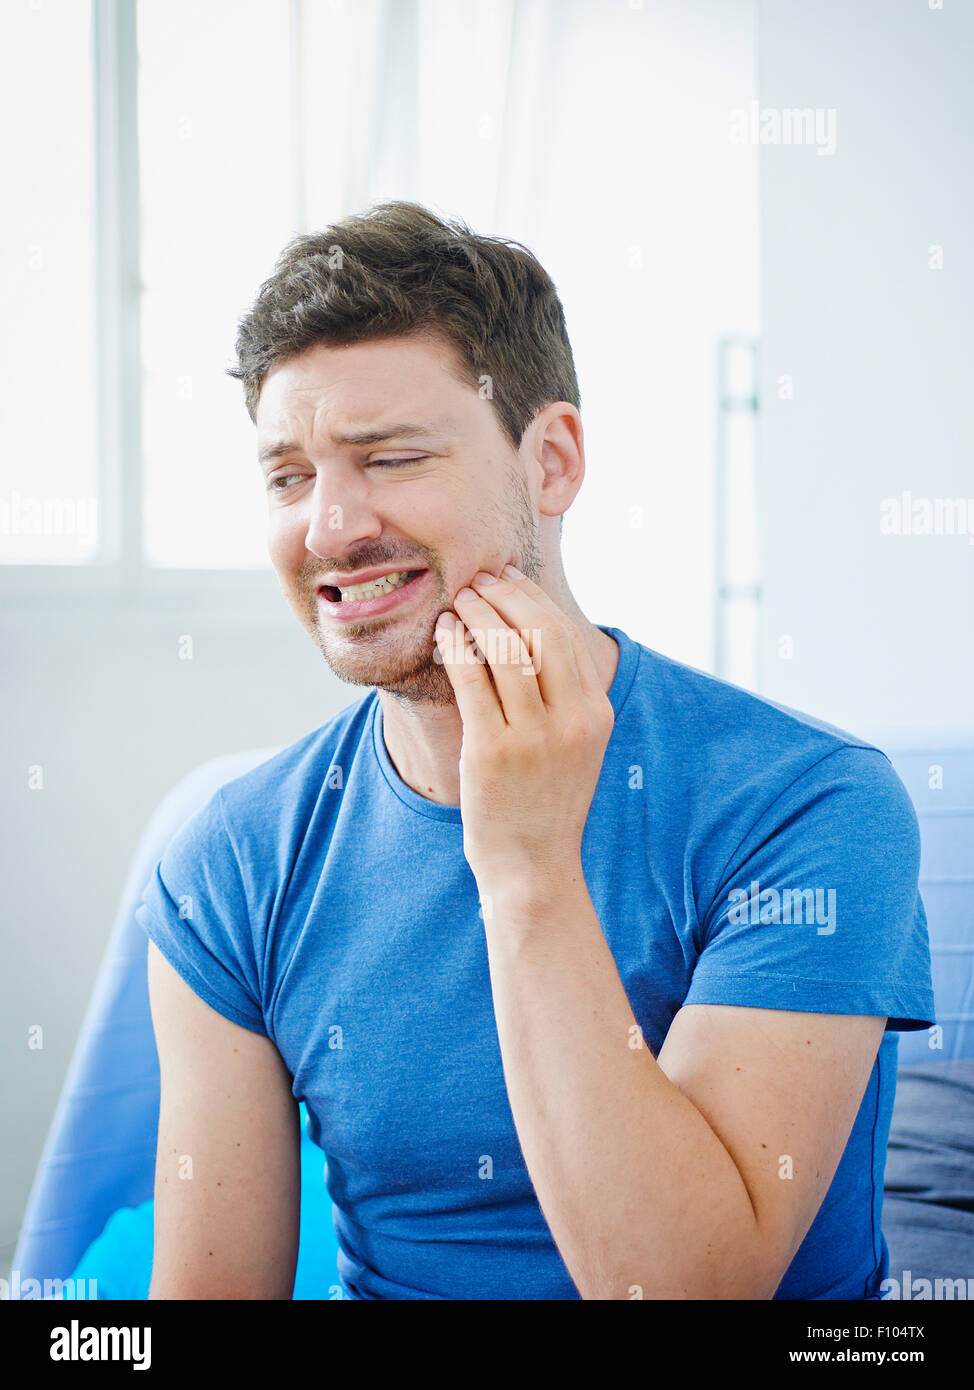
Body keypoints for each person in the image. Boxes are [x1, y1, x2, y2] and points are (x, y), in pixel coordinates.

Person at [138, 200, 934, 1300]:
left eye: (389, 456)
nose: (327, 527)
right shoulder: (232, 859)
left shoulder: (806, 805)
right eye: (288, 476)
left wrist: (523, 870)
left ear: (550, 461)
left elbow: (683, 1288)